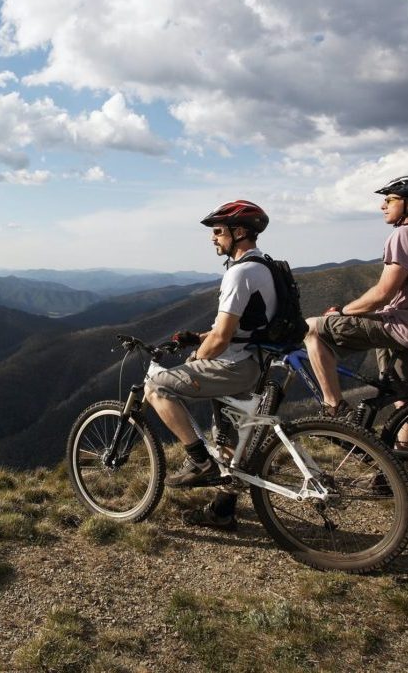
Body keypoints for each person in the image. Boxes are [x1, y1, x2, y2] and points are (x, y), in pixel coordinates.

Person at [145, 199, 278, 530]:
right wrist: (201, 336)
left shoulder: (240, 273)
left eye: (218, 231)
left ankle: (198, 460)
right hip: (255, 361)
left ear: (240, 232)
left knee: (156, 387)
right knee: (230, 439)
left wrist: (196, 356)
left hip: (234, 366)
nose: (213, 238)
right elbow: (245, 326)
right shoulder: (264, 266)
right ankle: (223, 510)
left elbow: (221, 338)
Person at [304, 176, 408, 450]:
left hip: (400, 325)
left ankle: (335, 408)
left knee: (312, 328)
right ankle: (397, 463)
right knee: (404, 400)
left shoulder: (402, 234)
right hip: (399, 326)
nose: (382, 206)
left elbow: (383, 293)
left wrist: (341, 312)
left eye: (390, 199)